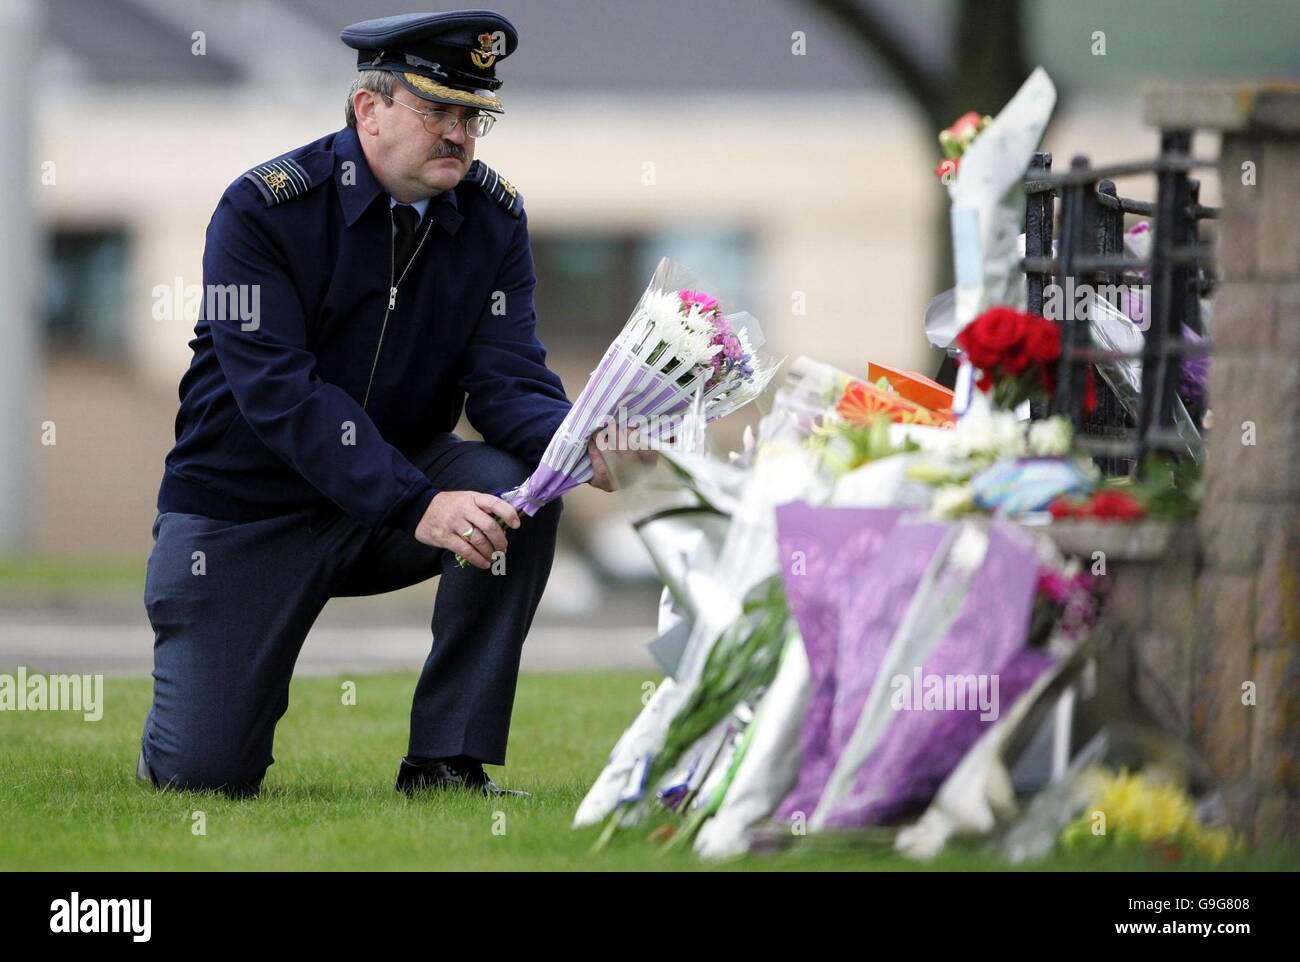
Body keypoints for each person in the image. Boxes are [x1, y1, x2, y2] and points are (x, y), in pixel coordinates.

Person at [137, 10, 633, 800]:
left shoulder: (493, 220)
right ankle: (191, 730)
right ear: (369, 109)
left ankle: (445, 763)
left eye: (474, 116)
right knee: (205, 777)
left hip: (393, 496)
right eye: (438, 109)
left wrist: (579, 443)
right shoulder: (261, 211)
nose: (460, 134)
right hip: (244, 514)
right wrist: (418, 503)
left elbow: (506, 377)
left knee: (519, 489)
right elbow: (280, 394)